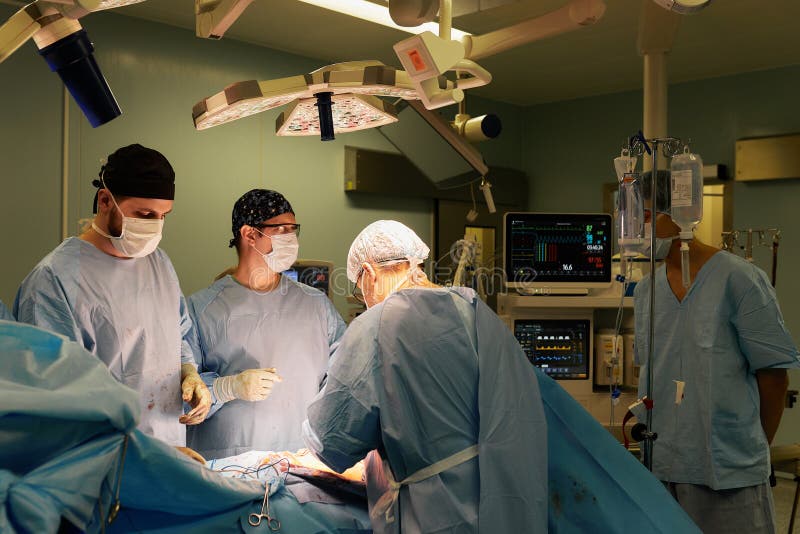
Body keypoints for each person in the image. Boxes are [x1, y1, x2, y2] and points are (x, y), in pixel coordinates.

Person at [303, 220, 547, 533]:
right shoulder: (475, 311)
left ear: (369, 272)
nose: (360, 297)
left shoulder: (376, 326)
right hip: (506, 503)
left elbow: (330, 441)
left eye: (357, 286)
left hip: (438, 515)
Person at [14, 144, 211, 458]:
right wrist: (141, 456)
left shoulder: (158, 263)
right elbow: (57, 401)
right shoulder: (54, 280)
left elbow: (179, 332)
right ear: (105, 200)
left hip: (169, 447)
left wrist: (189, 372)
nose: (155, 227)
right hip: (102, 467)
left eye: (163, 216)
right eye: (144, 215)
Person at [633, 170, 800, 533]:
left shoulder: (738, 279)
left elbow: (773, 377)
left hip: (731, 476)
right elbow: (650, 371)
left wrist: (747, 454)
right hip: (660, 470)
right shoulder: (646, 291)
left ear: (678, 214)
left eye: (643, 216)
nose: (635, 228)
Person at [186, 189, 345, 459]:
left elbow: (346, 378)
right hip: (226, 465)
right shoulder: (201, 309)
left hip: (301, 464)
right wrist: (228, 387)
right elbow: (179, 398)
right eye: (281, 229)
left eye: (294, 230)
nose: (291, 239)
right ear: (249, 234)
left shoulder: (316, 306)